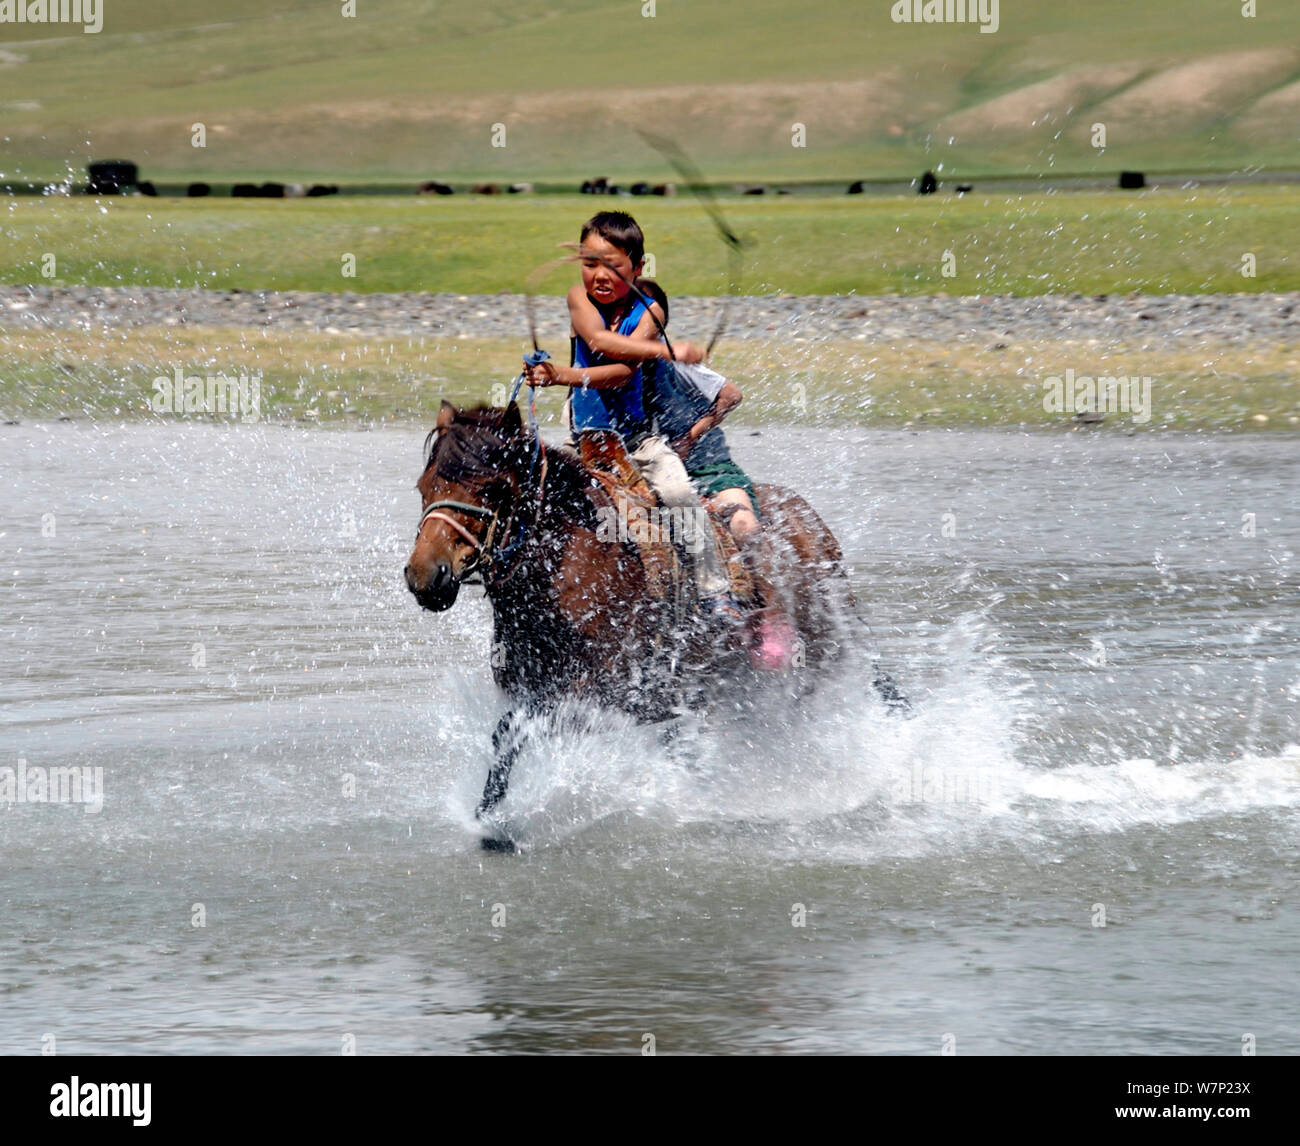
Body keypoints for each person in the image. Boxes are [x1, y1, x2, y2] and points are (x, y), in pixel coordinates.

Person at [525, 210, 741, 621]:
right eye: (590, 265)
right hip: (584, 441)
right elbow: (597, 340)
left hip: (639, 443)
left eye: (613, 266)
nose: (599, 277)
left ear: (638, 267)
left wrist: (560, 375)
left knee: (678, 496)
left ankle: (716, 592)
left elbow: (622, 370)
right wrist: (667, 351)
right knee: (536, 496)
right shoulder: (578, 298)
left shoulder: (651, 307)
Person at [635, 277, 799, 671]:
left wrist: (691, 435)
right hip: (649, 472)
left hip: (709, 468)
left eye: (647, 321)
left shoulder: (675, 363)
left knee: (744, 525)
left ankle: (772, 617)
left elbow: (732, 395)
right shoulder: (616, 369)